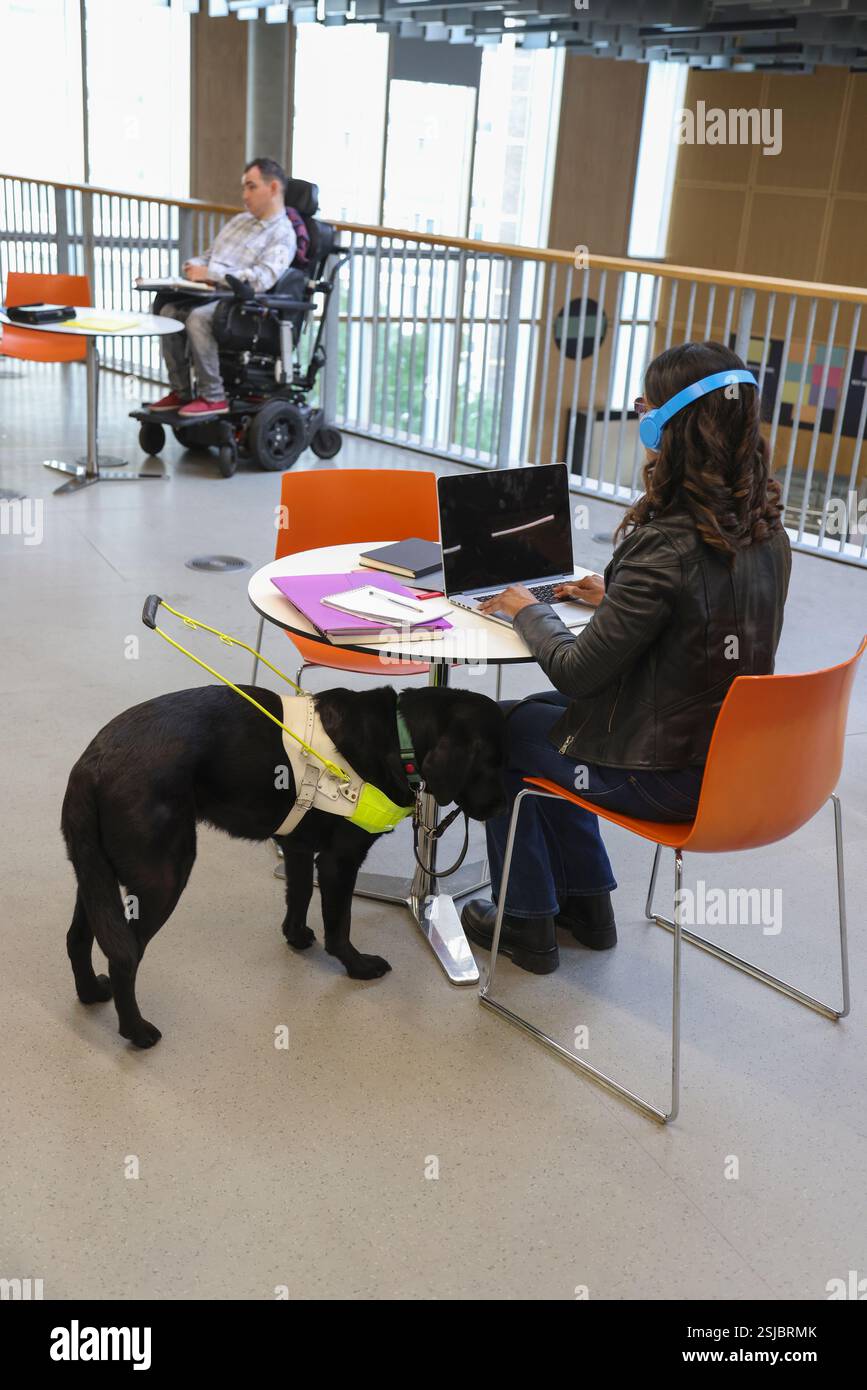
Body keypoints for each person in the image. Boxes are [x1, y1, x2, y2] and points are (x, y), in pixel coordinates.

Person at [461, 340, 792, 975]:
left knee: (496, 730)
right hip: (736, 761)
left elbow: (577, 670)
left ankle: (525, 919)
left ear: (676, 421)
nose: (639, 412)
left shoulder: (665, 543)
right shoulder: (765, 525)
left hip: (671, 778)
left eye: (646, 403)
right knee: (541, 714)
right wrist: (616, 598)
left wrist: (526, 608)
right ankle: (587, 907)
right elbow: (707, 619)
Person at [146, 157, 297, 419]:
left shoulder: (283, 234)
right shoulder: (239, 221)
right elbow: (209, 256)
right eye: (244, 188)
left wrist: (212, 274)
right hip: (211, 294)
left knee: (197, 318)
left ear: (273, 188)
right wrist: (194, 267)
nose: (244, 195)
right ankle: (181, 392)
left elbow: (263, 279)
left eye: (251, 187)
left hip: (245, 307)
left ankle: (213, 397)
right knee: (168, 311)